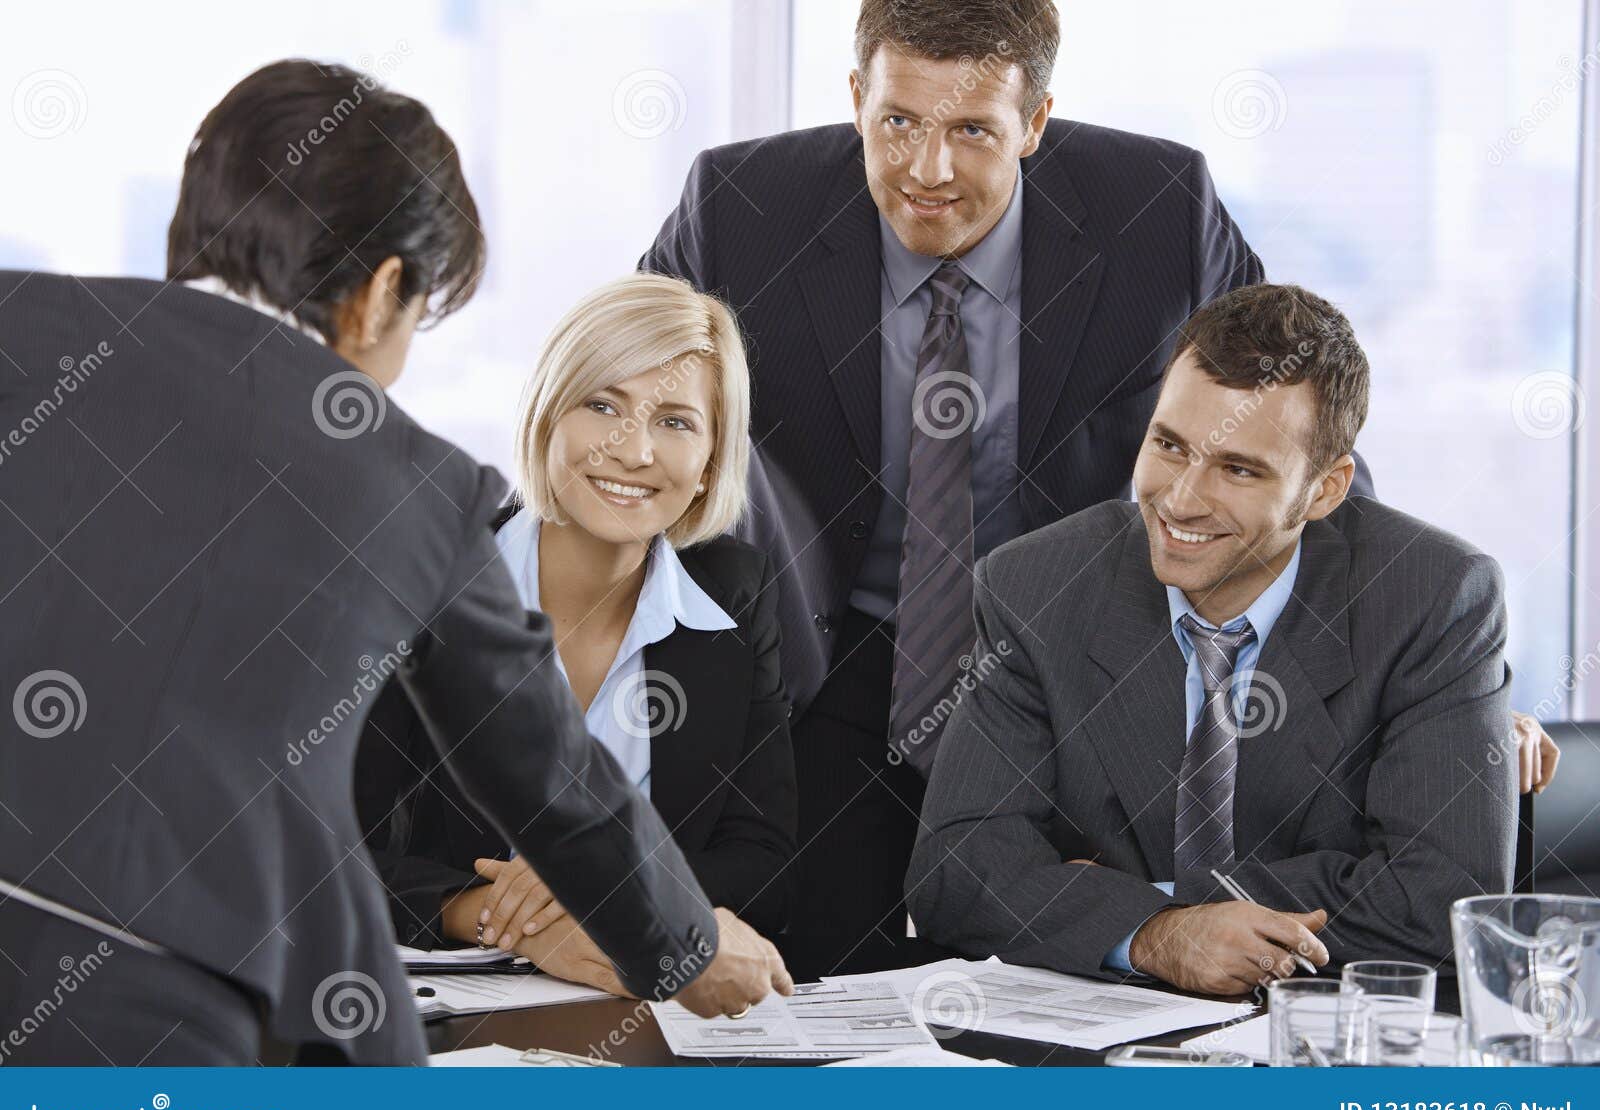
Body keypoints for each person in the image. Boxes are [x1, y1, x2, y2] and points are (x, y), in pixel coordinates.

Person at [642, 0, 1555, 978]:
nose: (926, 170)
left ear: (1034, 121)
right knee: (800, 990)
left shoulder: (1157, 206)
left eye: (972, 131)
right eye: (898, 121)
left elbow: (1281, 420)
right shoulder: (740, 207)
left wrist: (1423, 694)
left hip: (1063, 661)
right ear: (856, 94)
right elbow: (610, 414)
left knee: (1051, 975)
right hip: (826, 669)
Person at [0, 61, 788, 1066]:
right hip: (161, 1013)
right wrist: (686, 943)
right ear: (379, 297)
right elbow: (545, 772)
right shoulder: (413, 483)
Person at [906, 283, 1517, 993]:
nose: (1181, 498)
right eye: (1169, 445)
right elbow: (955, 870)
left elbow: (1442, 895)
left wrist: (1149, 902)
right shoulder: (1036, 586)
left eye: (1238, 468)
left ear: (1324, 489)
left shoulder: (1434, 598)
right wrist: (1160, 937)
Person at [355, 273, 797, 993]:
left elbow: (764, 861)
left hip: (643, 1028)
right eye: (603, 405)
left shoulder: (732, 592)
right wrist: (512, 921)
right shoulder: (424, 580)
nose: (634, 450)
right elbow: (332, 851)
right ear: (549, 414)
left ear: (712, 457)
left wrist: (603, 880)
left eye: (677, 422)